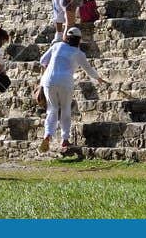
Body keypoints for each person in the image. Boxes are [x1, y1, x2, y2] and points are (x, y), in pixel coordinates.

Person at [37, 26, 99, 155]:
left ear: (67, 37)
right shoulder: (78, 53)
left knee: (52, 109)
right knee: (65, 109)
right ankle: (65, 139)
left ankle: (47, 134)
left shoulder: (57, 46)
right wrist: (99, 78)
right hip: (65, 81)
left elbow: (43, 61)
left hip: (49, 80)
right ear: (79, 39)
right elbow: (88, 69)